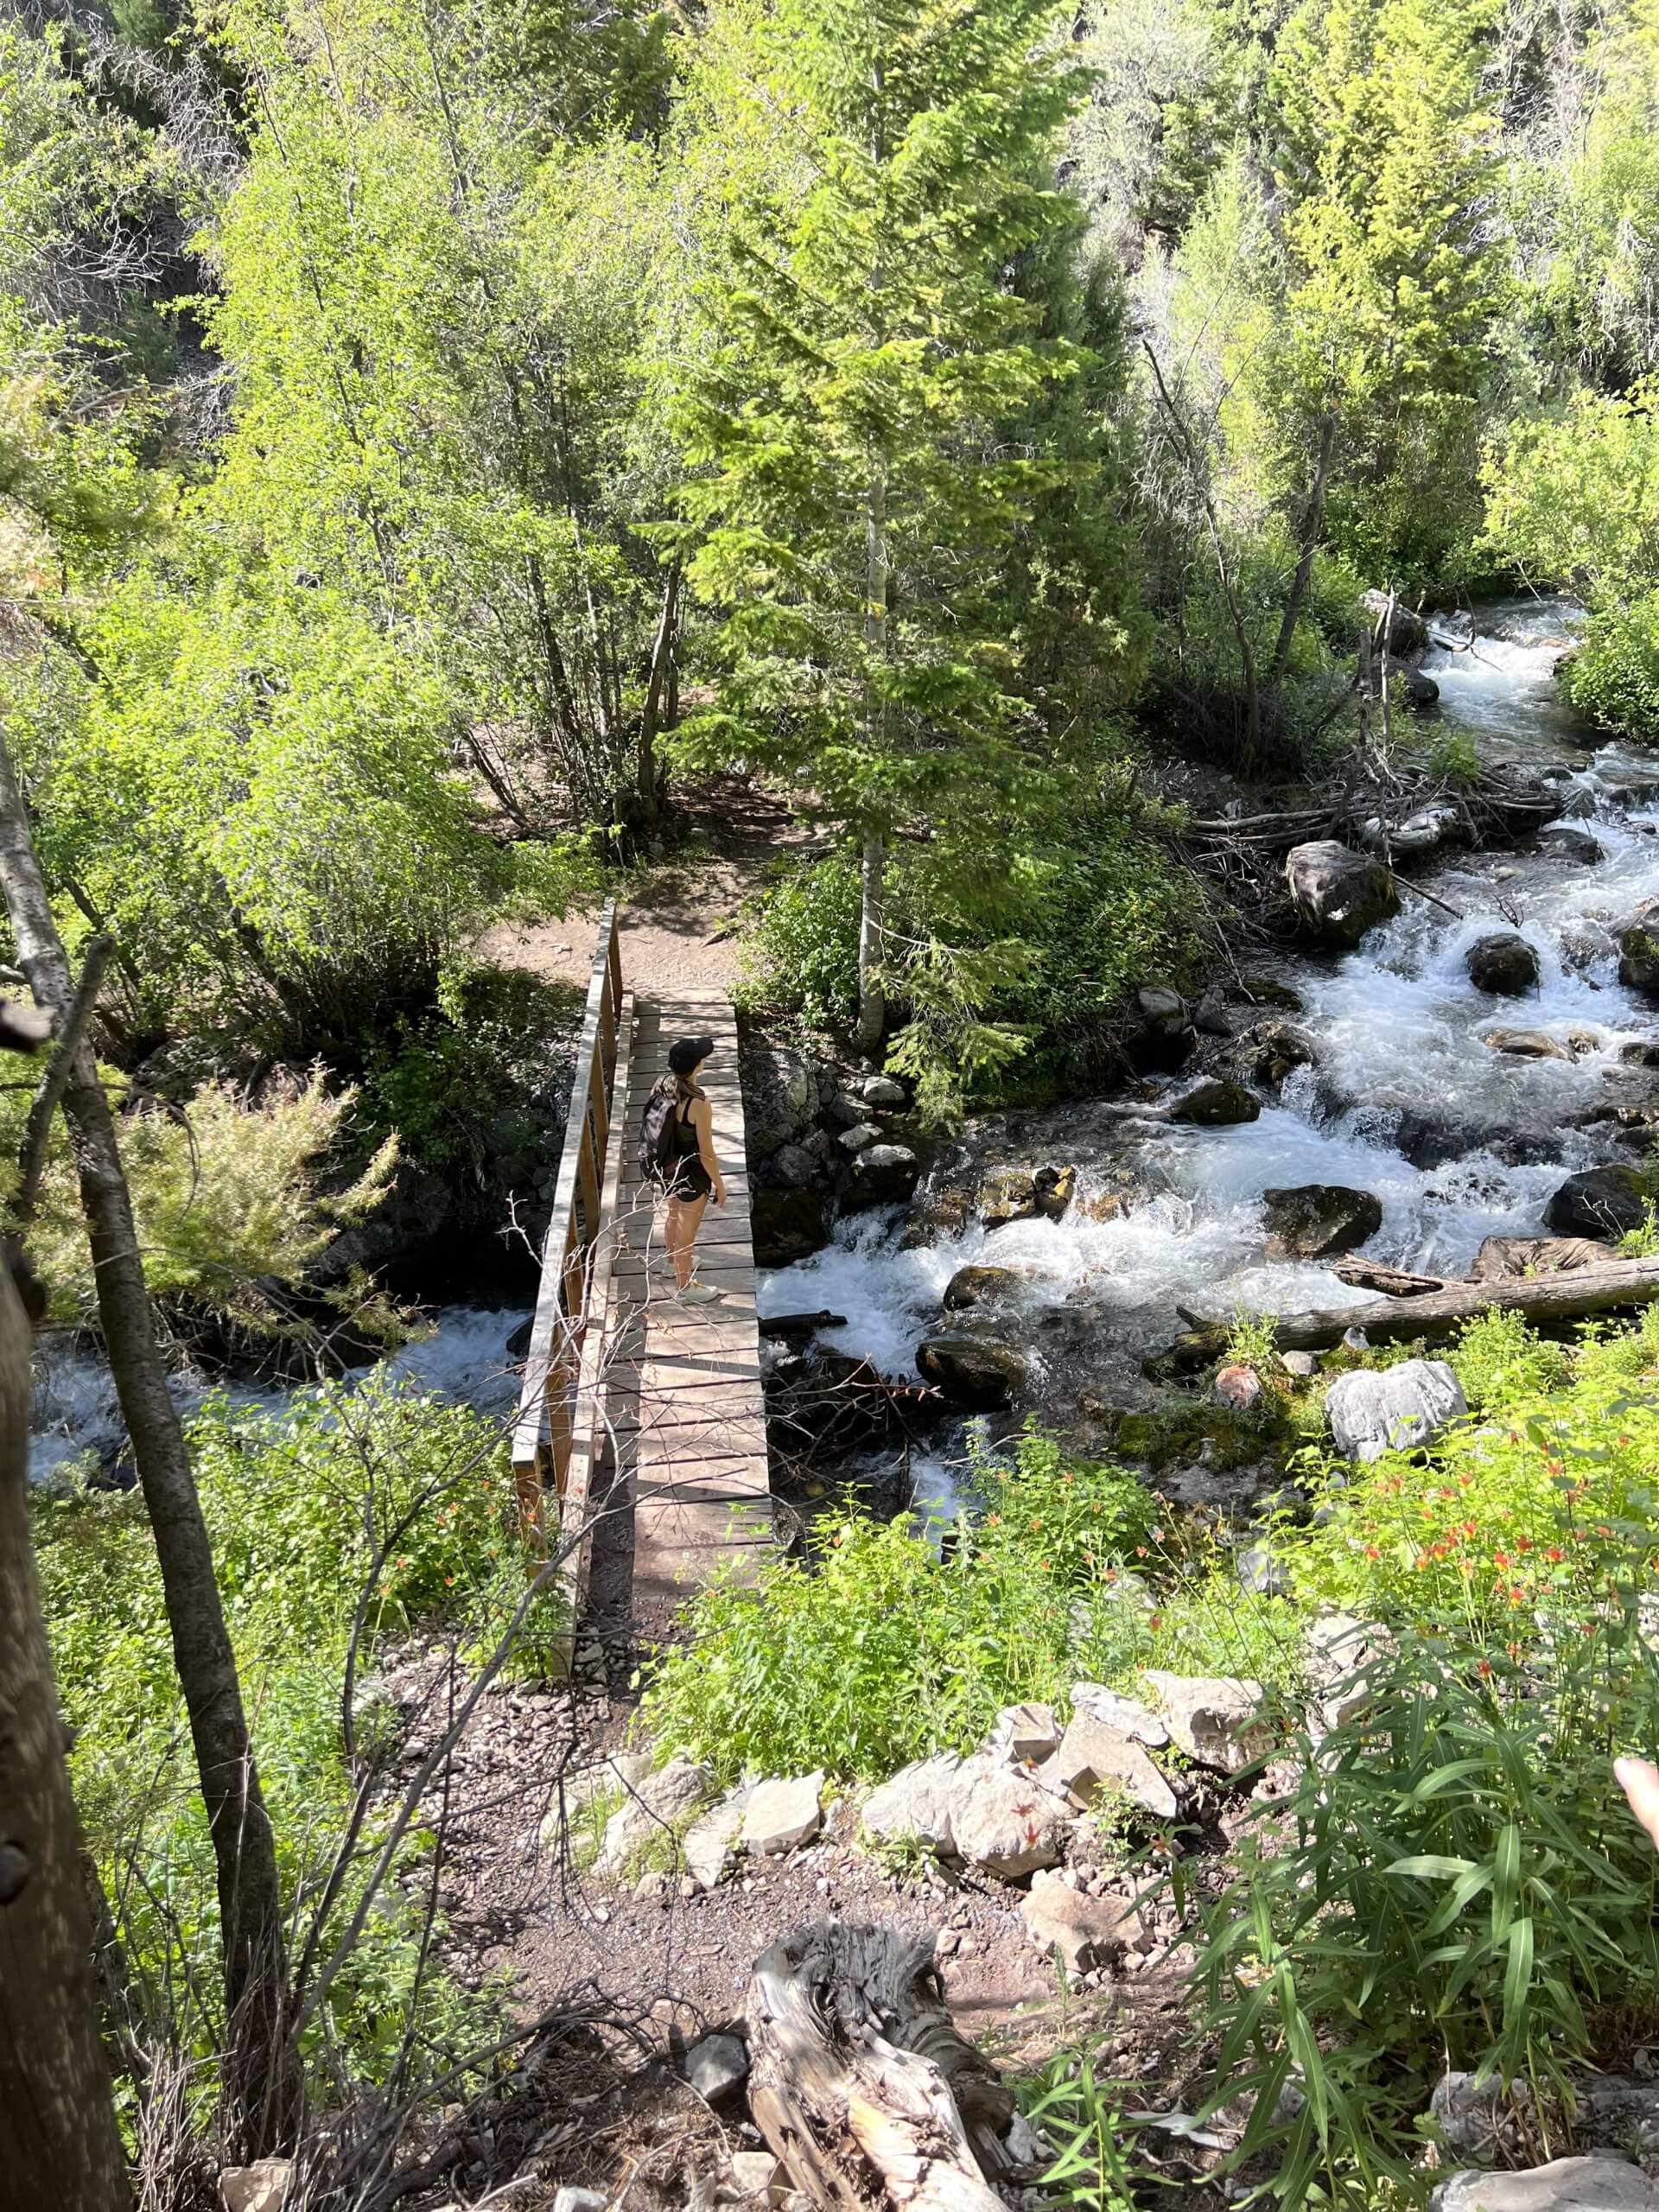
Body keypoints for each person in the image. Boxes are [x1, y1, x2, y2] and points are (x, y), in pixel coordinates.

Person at [656, 1034, 728, 1304]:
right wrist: (720, 1186)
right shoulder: (698, 1103)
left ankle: (670, 1261)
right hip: (690, 1170)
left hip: (667, 1164)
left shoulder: (662, 1084)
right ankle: (685, 1286)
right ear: (697, 1066)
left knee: (673, 1213)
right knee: (688, 1229)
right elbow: (707, 1154)